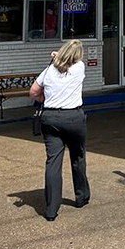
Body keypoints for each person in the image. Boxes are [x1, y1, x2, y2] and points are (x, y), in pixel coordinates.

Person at [29, 39, 90, 221]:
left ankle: (51, 210)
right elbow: (70, 60)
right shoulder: (79, 67)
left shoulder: (48, 71)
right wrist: (59, 55)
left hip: (50, 118)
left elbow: (33, 91)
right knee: (78, 156)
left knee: (53, 161)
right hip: (73, 118)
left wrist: (43, 100)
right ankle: (81, 197)